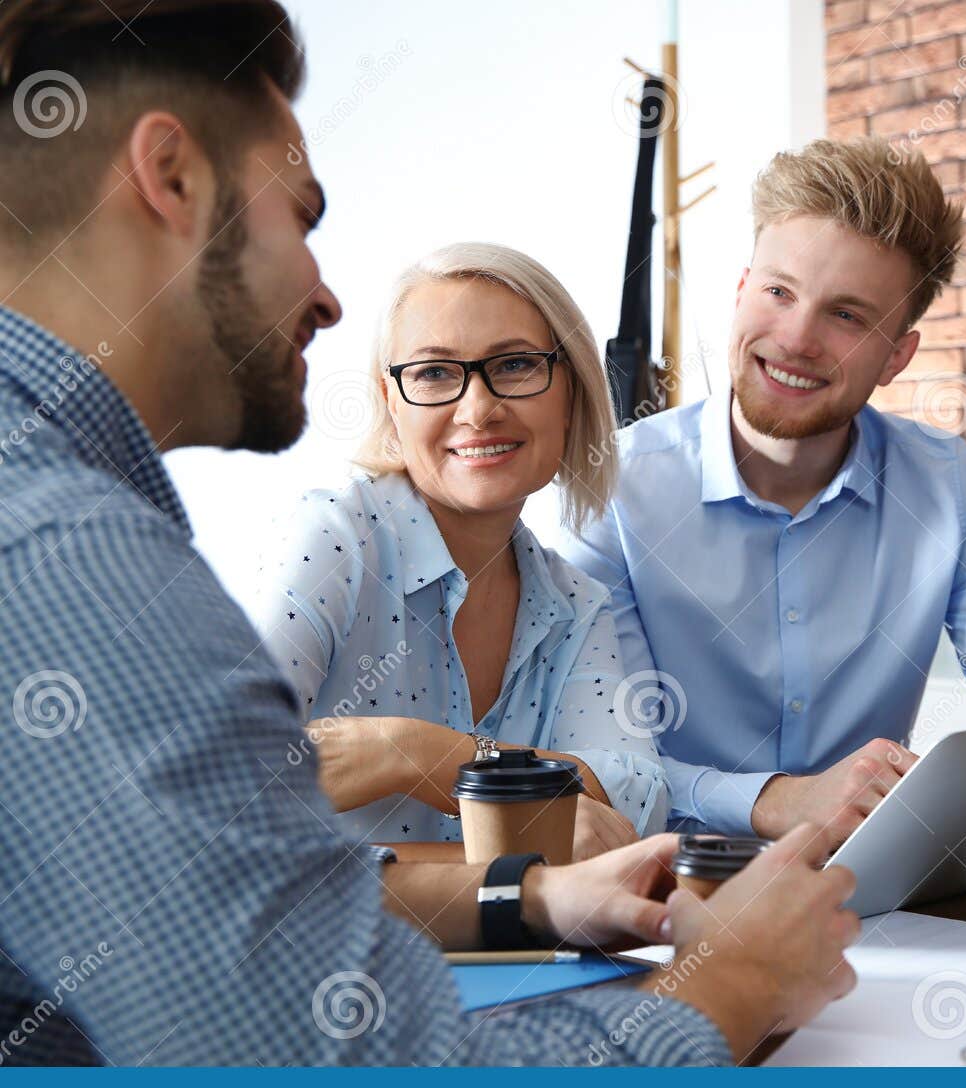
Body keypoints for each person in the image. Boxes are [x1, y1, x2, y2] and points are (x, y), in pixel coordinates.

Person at [0, 0, 855, 1067]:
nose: (325, 295)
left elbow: (609, 800)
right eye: (303, 217)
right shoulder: (67, 557)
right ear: (170, 178)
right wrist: (737, 974)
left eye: (514, 367)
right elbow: (352, 1087)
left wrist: (525, 889)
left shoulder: (69, 523)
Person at [555, 136, 966, 850]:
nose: (796, 338)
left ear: (897, 355)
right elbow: (602, 758)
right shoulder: (616, 488)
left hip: (876, 899)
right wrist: (775, 802)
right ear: (740, 291)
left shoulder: (953, 490)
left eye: (847, 316)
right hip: (660, 898)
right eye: (779, 292)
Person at [247, 243, 667, 858]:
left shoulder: (576, 604)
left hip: (519, 950)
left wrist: (421, 755)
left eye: (517, 364)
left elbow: (635, 801)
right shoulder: (336, 540)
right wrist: (529, 820)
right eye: (434, 373)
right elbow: (228, 780)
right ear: (391, 402)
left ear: (571, 392)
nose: (479, 409)